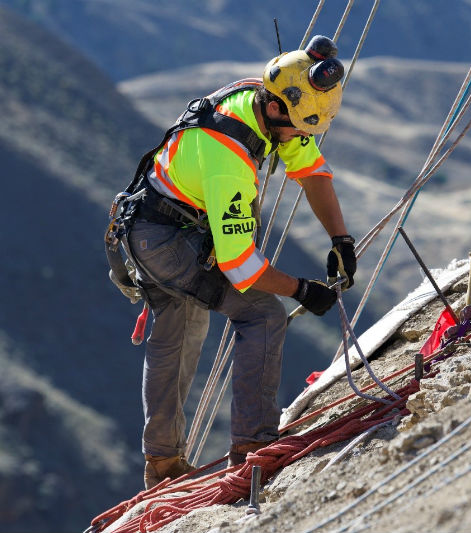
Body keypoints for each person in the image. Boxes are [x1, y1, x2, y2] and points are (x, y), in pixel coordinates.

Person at [119, 36, 357, 489]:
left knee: (178, 327)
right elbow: (242, 268)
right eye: (299, 130)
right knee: (264, 314)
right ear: (274, 110)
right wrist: (303, 290)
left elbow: (311, 172)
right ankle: (253, 449)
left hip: (148, 228)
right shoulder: (228, 158)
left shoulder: (262, 102)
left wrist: (339, 238)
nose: (301, 139)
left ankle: (162, 464)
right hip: (166, 237)